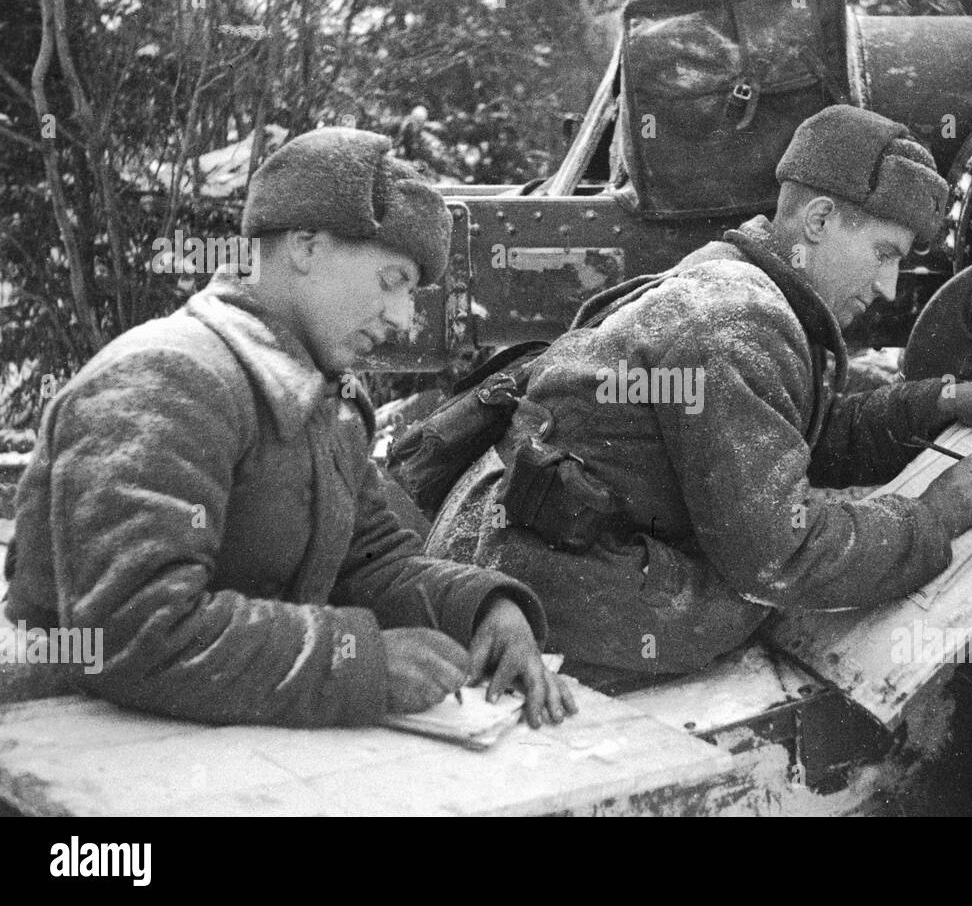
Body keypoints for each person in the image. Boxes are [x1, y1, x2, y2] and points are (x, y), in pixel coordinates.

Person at [426, 105, 972, 677]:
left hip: (517, 542)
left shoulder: (733, 277)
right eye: (883, 252)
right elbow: (779, 557)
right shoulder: (735, 321)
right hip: (544, 581)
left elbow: (801, 431)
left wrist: (940, 403)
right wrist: (929, 521)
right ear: (820, 219)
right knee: (733, 611)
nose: (886, 285)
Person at [4, 127, 576, 728]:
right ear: (306, 247)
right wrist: (360, 661)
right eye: (392, 281)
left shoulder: (320, 395)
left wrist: (484, 610)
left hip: (198, 737)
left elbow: (368, 562)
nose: (404, 317)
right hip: (68, 739)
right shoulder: (166, 377)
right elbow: (135, 632)